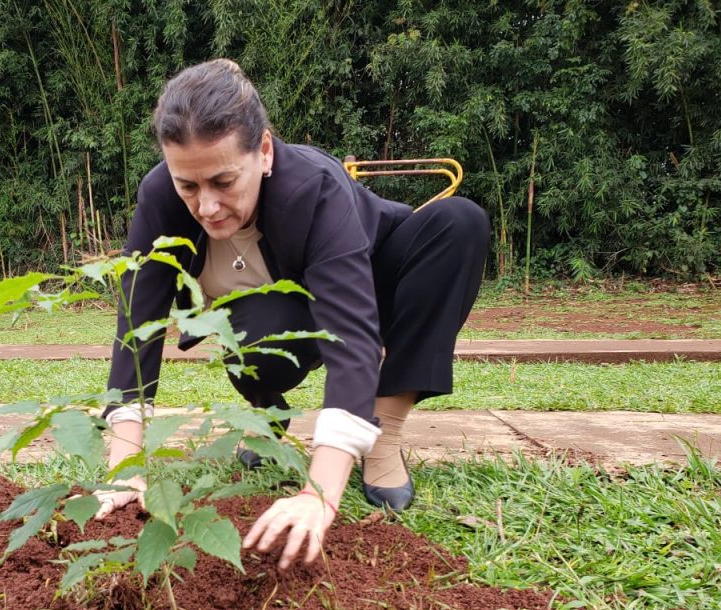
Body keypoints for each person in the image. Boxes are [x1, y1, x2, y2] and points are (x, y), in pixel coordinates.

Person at [95, 59, 489, 570]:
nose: (207, 206)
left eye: (223, 181)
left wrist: (319, 495)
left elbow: (351, 337)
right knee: (248, 329)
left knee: (460, 222)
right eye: (189, 186)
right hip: (271, 307)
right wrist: (125, 465)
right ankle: (266, 414)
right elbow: (138, 325)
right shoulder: (160, 197)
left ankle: (383, 431)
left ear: (263, 151)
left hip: (372, 272)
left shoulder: (313, 187)